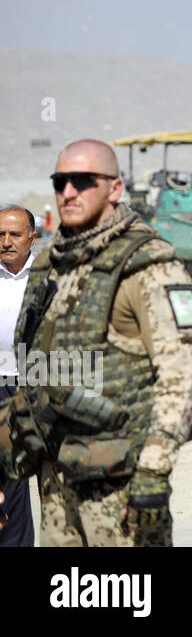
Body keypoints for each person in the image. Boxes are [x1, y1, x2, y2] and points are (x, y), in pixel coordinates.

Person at [0, 140, 192, 547]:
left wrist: (153, 472)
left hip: (120, 484)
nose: (69, 192)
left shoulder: (148, 263)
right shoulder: (50, 266)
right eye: (61, 182)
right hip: (58, 486)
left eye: (83, 181)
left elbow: (179, 377)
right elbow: (36, 369)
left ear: (114, 188)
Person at [0, 205, 37, 546]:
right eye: (1, 234)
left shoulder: (49, 277)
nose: (7, 241)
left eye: (15, 234)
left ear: (32, 238)